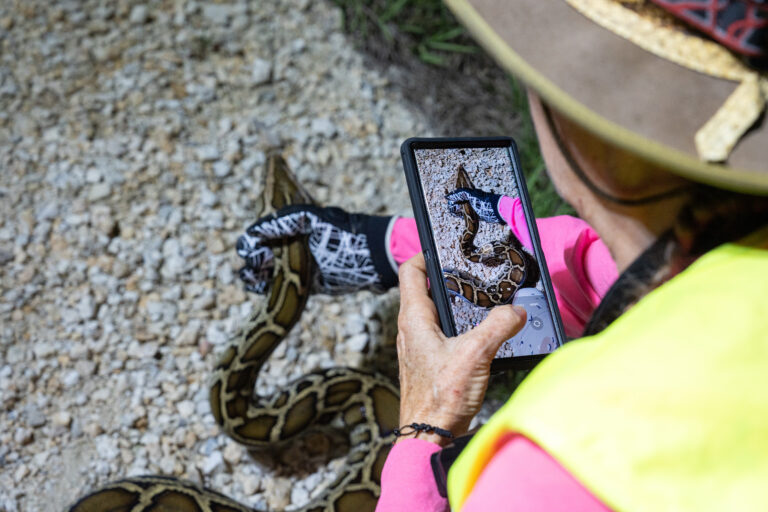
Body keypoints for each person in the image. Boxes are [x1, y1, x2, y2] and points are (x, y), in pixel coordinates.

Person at [239, 1, 768, 510]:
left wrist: (425, 426)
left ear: (599, 146)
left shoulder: (553, 466)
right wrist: (388, 247)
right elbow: (605, 269)